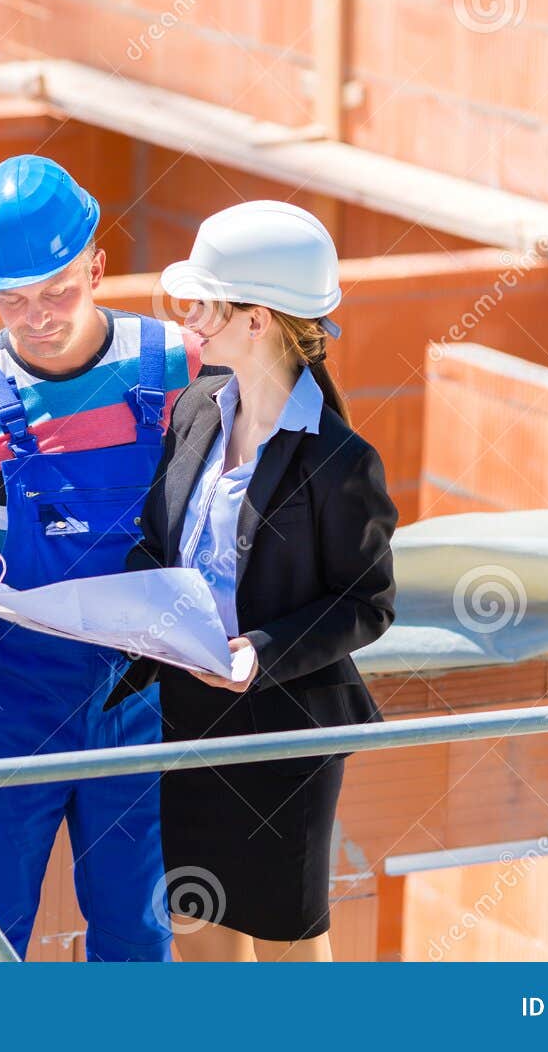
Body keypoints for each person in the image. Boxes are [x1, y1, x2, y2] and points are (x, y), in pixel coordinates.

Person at [0, 154, 202, 961]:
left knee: (139, 934)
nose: (39, 317)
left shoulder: (180, 366)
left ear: (96, 264)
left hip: (148, 698)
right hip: (10, 704)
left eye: (58, 291)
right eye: (13, 300)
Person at [105, 199, 398, 962]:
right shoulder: (198, 408)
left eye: (205, 303)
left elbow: (366, 603)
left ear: (258, 319)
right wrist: (127, 609)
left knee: (285, 937)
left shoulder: (340, 461)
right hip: (186, 714)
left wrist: (261, 651)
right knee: (199, 926)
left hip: (286, 734)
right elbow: (156, 542)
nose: (190, 318)